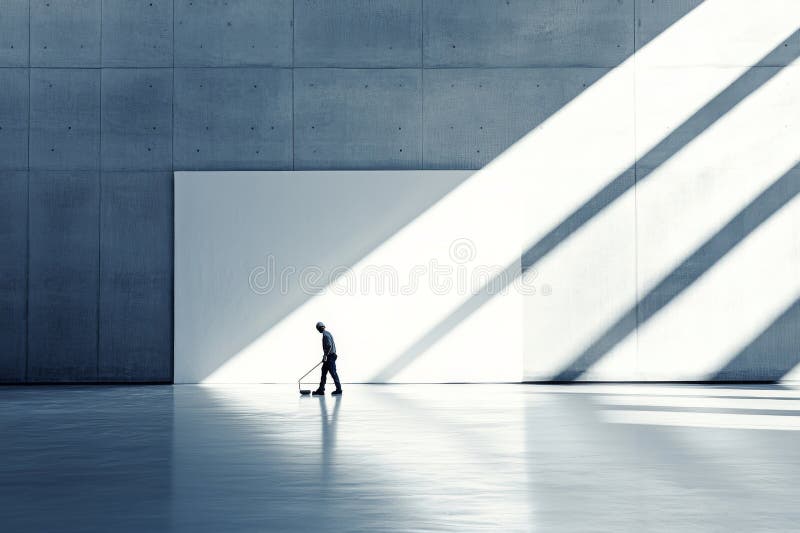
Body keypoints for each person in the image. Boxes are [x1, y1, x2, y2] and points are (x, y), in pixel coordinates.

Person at [312, 322, 342, 395]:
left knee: (333, 373)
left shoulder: (325, 335)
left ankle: (339, 389)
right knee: (324, 372)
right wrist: (325, 356)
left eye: (319, 328)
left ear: (319, 329)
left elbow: (329, 345)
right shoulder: (328, 333)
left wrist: (325, 355)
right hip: (331, 356)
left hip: (330, 357)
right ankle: (321, 389)